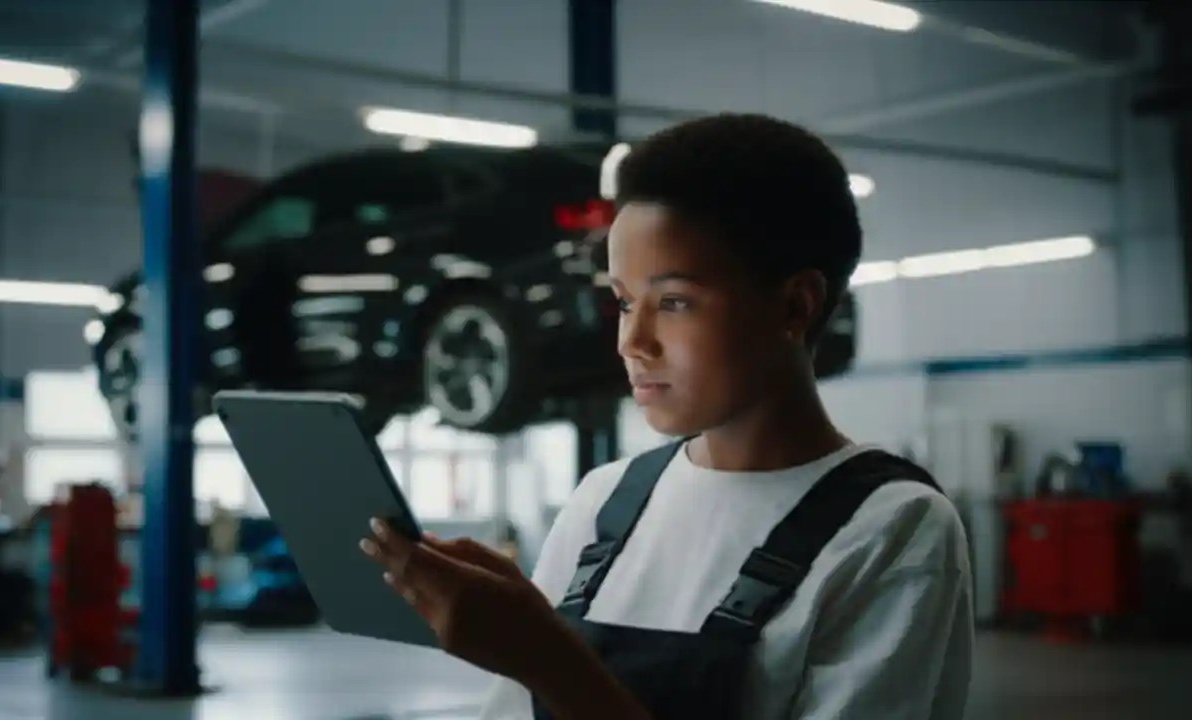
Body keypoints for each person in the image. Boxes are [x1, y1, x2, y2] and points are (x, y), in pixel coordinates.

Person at [361, 114, 973, 719]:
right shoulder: (603, 502)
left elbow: (549, 674)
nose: (633, 340)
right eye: (624, 302)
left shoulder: (892, 530)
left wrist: (547, 657)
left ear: (794, 306)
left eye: (674, 302)